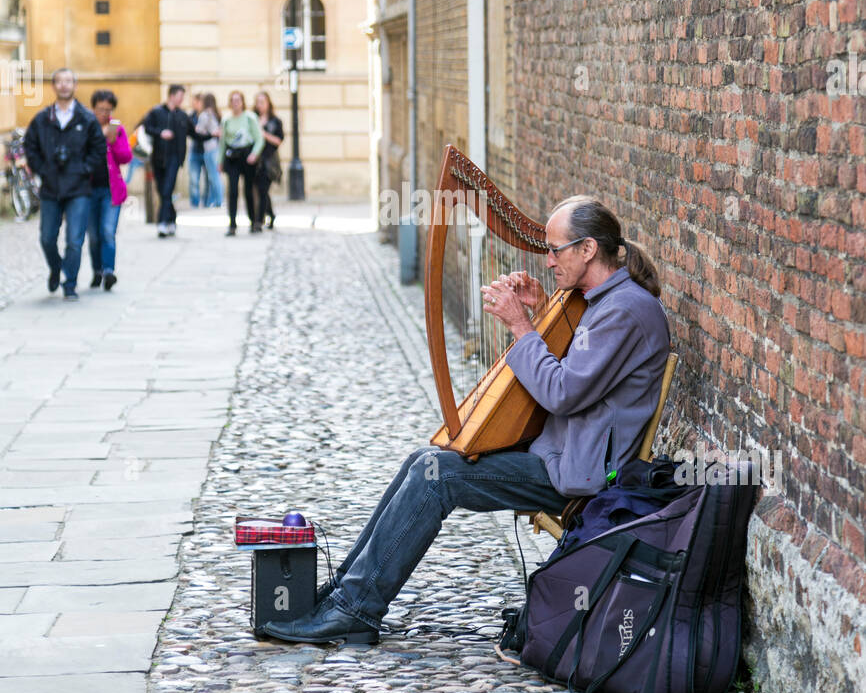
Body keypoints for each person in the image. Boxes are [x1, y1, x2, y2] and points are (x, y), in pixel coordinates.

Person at [262, 195, 671, 645]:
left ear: (588, 249)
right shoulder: (601, 301)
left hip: (580, 473)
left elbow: (563, 391)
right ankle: (344, 590)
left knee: (436, 476)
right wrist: (537, 316)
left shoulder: (624, 311)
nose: (547, 260)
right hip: (561, 452)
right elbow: (581, 376)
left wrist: (521, 327)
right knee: (427, 458)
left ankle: (357, 609)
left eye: (555, 249)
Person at [23, 68, 106, 301]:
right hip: (50, 187)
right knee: (47, 238)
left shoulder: (87, 118)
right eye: (59, 81)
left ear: (75, 85)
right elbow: (30, 147)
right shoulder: (42, 119)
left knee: (74, 240)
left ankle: (70, 283)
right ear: (53, 86)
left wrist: (84, 169)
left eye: (68, 81)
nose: (64, 85)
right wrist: (42, 169)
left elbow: (98, 150)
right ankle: (56, 267)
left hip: (78, 188)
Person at [87, 90, 132, 291]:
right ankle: (97, 270)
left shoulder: (117, 128)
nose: (104, 113)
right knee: (94, 235)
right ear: (93, 108)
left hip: (110, 190)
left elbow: (126, 157)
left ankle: (108, 271)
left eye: (108, 109)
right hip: (87, 190)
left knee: (107, 231)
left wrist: (112, 141)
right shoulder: (86, 127)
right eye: (100, 109)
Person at [142, 84, 189, 237]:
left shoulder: (182, 115)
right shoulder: (156, 112)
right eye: (180, 96)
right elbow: (145, 127)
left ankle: (162, 222)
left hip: (174, 158)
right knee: (163, 192)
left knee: (167, 189)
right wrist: (160, 133)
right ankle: (171, 220)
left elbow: (194, 132)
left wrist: (211, 134)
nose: (182, 99)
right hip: (158, 158)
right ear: (172, 95)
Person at [218, 91, 264, 235]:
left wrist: (254, 154)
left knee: (249, 190)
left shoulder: (250, 118)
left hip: (247, 155)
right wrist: (220, 161)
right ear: (230, 103)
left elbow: (259, 139)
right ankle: (232, 224)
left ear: (243, 102)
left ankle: (253, 221)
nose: (236, 103)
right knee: (232, 190)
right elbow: (222, 143)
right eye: (233, 100)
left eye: (238, 100)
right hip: (232, 157)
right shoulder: (226, 120)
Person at [253, 90, 284, 229]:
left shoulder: (275, 121)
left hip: (269, 161)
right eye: (257, 102)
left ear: (268, 103)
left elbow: (279, 140)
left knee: (263, 190)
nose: (259, 105)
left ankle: (259, 221)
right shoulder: (252, 119)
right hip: (255, 160)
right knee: (261, 190)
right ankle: (270, 214)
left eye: (262, 102)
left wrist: (264, 134)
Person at [188, 92, 222, 209]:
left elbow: (198, 131)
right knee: (211, 177)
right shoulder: (213, 114)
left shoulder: (205, 115)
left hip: (208, 149)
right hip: (205, 150)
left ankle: (216, 201)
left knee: (213, 177)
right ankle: (212, 201)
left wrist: (194, 129)